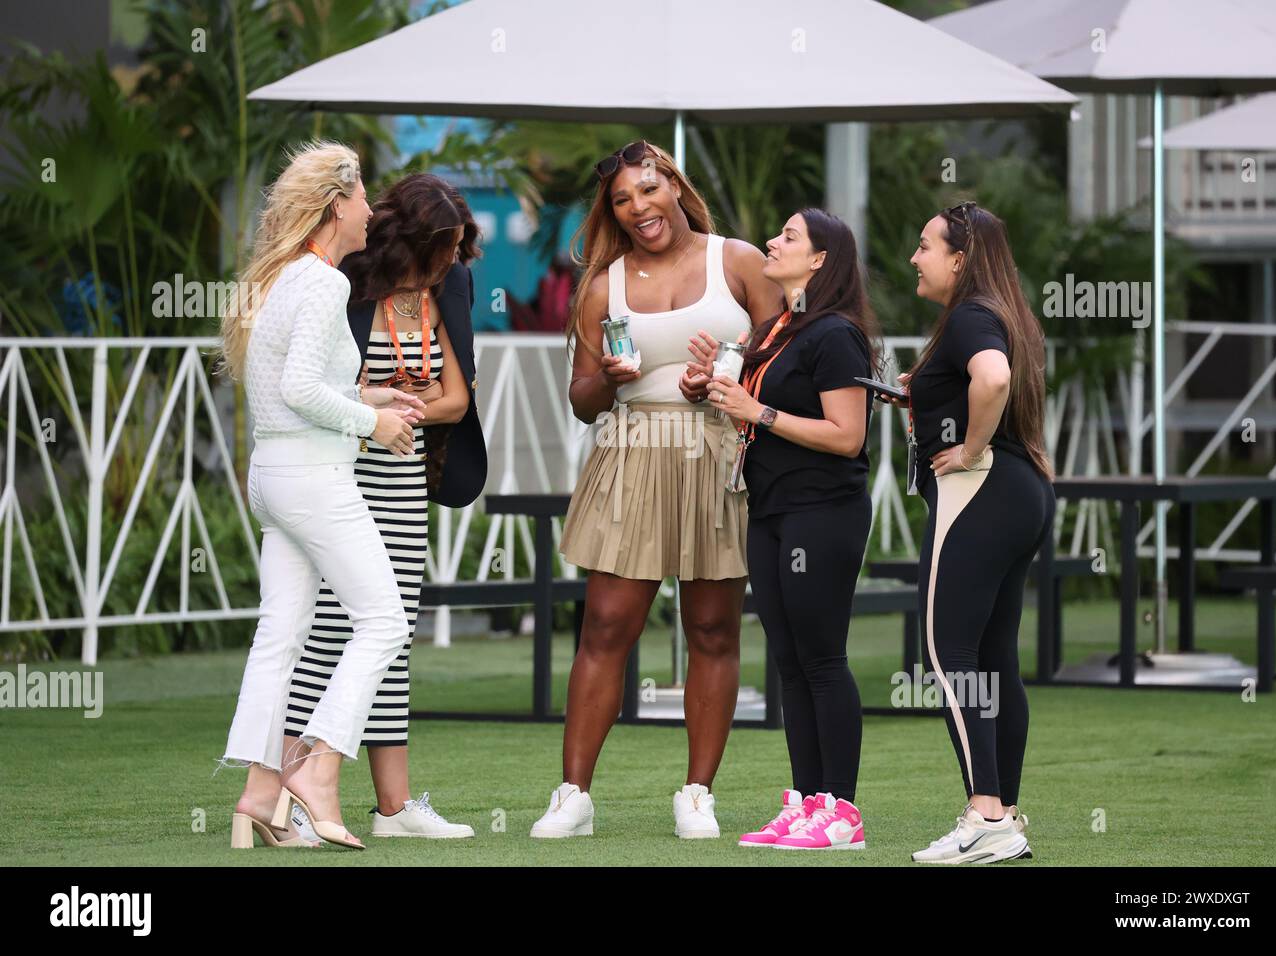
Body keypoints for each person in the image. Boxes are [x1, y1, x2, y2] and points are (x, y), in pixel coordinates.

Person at [530, 140, 783, 839]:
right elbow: (581, 399)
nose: (639, 207)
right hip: (631, 449)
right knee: (607, 625)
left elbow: (783, 353)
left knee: (711, 628)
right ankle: (572, 796)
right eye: (622, 200)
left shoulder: (738, 261)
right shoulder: (601, 284)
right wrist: (608, 379)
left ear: (674, 184)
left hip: (719, 453)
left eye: (649, 189)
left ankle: (698, 793)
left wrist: (730, 379)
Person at [218, 141, 425, 851]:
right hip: (312, 479)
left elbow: (295, 388)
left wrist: (367, 395)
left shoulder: (282, 279)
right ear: (337, 203)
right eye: (364, 196)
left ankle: (259, 793)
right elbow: (299, 391)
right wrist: (376, 422)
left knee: (279, 635)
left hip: (274, 478)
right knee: (385, 621)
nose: (372, 209)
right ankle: (319, 766)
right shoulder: (324, 284)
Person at [281, 173, 486, 840]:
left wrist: (382, 401)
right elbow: (317, 389)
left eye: (458, 247)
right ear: (411, 242)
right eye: (443, 247)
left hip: (402, 477)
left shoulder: (450, 287)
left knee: (392, 635)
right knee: (327, 630)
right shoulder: (347, 282)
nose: (453, 260)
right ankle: (293, 793)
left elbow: (458, 399)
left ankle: (394, 810)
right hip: (336, 472)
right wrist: (375, 404)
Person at [703, 209, 878, 851]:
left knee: (822, 658)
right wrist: (720, 389)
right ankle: (807, 802)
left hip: (821, 510)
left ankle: (843, 811)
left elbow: (847, 435)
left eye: (790, 236)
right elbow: (756, 417)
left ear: (821, 260)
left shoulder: (836, 334)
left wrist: (760, 409)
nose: (773, 242)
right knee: (790, 661)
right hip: (772, 507)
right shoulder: (781, 328)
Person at [896, 200, 1054, 864]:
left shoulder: (968, 315)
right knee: (992, 659)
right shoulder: (1003, 312)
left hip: (981, 489)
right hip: (1021, 492)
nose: (915, 257)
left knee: (946, 650)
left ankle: (984, 816)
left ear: (959, 259)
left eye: (926, 245)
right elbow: (984, 382)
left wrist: (966, 449)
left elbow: (992, 378)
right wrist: (922, 401)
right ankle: (1005, 815)